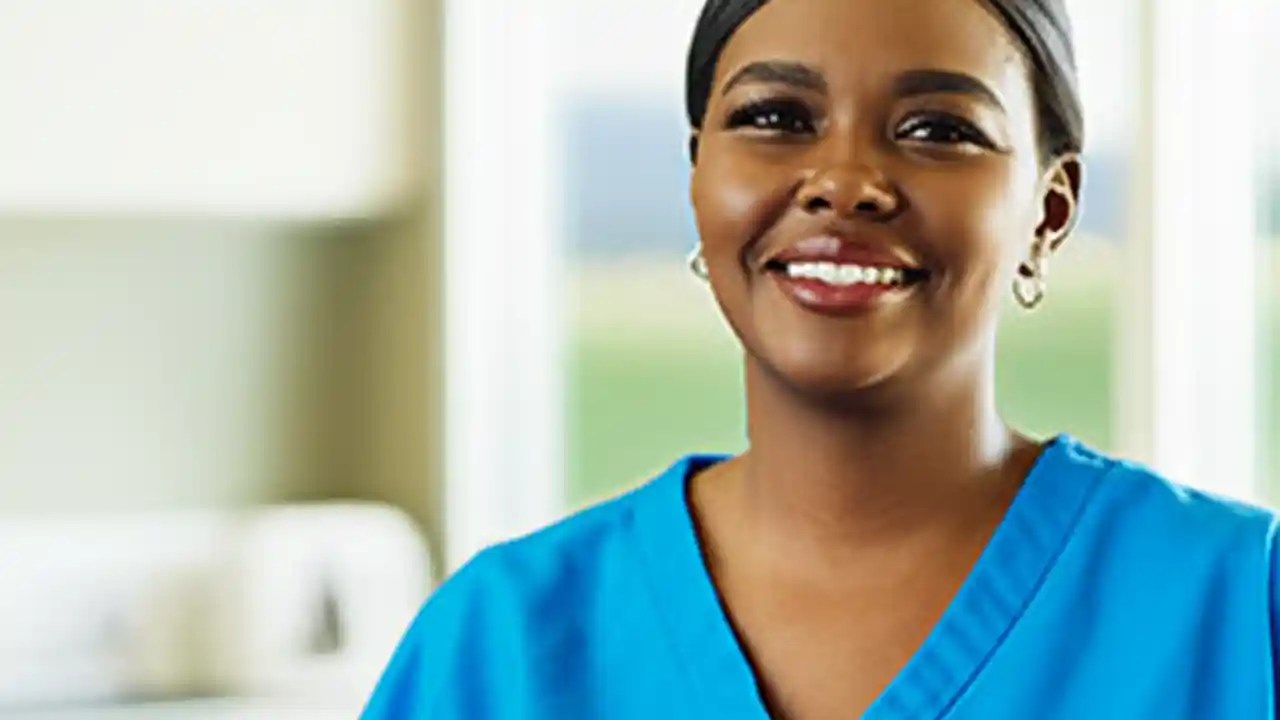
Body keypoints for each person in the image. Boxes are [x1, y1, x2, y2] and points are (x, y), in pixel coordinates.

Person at [363, 0, 1280, 717]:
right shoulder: (498, 647)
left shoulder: (1244, 611)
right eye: (775, 116)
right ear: (697, 176)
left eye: (938, 129)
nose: (844, 183)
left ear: (1049, 210)